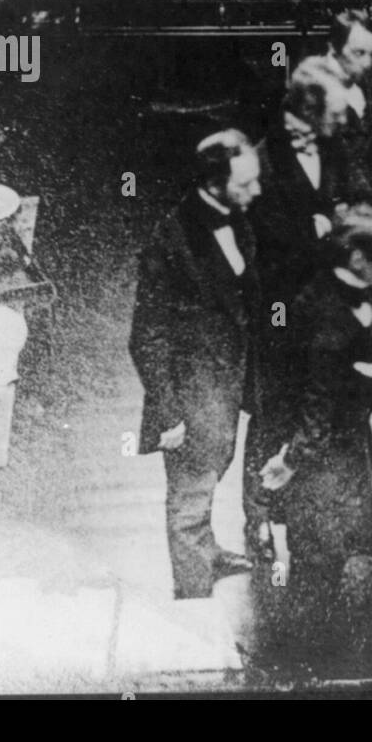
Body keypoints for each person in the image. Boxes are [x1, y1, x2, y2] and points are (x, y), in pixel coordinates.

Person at [243, 57, 370, 555]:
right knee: (274, 408)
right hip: (279, 308)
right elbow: (267, 251)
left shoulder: (331, 142)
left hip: (324, 303)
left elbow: (354, 190)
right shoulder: (264, 163)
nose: (344, 122)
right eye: (335, 114)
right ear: (310, 110)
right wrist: (322, 233)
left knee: (316, 412)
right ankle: (258, 517)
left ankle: (309, 521)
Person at [128, 130, 262, 598]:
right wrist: (169, 412)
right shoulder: (172, 239)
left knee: (214, 470)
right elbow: (146, 335)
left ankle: (207, 552)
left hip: (229, 378)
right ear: (214, 181)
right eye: (246, 183)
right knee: (190, 496)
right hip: (193, 391)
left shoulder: (236, 216)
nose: (256, 191)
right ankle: (193, 595)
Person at [258, 215, 372, 667]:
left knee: (323, 551)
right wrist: (294, 459)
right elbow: (318, 400)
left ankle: (311, 646)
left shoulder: (338, 292)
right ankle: (308, 660)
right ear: (358, 259)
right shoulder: (329, 321)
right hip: (324, 451)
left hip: (333, 439)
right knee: (319, 552)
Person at [325, 10, 372, 195]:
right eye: (359, 53)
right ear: (333, 48)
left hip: (364, 193)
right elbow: (341, 159)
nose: (368, 63)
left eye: (371, 54)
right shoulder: (315, 89)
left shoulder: (358, 80)